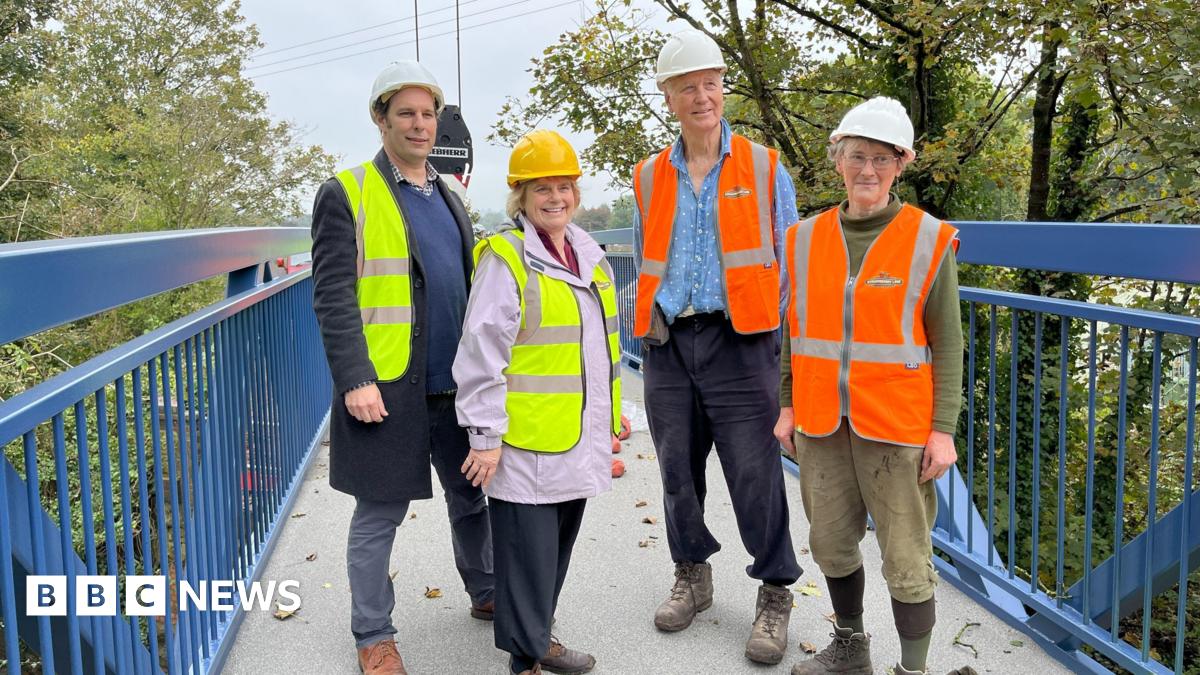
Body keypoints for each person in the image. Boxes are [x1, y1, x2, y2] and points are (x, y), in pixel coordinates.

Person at [309, 60, 494, 675]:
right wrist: (355, 378)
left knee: (472, 498)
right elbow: (332, 294)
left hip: (455, 383)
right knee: (379, 513)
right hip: (387, 385)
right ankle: (373, 634)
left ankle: (487, 593)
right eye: (407, 114)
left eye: (427, 113)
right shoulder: (348, 191)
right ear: (380, 119)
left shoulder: (449, 194)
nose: (420, 125)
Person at [631, 28, 802, 665]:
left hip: (743, 342)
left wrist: (784, 348)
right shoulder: (650, 174)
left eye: (710, 83)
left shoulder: (763, 165)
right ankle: (692, 575)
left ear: (722, 88)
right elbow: (650, 254)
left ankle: (776, 591)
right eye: (686, 87)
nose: (700, 96)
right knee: (677, 471)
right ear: (669, 98)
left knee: (756, 475)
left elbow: (789, 256)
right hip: (670, 341)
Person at [776, 96, 962, 675]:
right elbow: (793, 332)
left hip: (897, 425)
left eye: (882, 159)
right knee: (830, 543)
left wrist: (943, 431)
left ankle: (913, 669)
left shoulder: (928, 239)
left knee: (906, 558)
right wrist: (785, 406)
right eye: (857, 156)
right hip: (820, 420)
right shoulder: (804, 239)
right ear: (838, 160)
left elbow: (948, 342)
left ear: (901, 164)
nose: (868, 171)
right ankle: (851, 650)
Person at [454, 130, 622, 675]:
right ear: (520, 199)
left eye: (563, 186)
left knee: (556, 552)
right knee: (527, 559)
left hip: (575, 436)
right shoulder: (508, 260)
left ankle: (539, 637)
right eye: (541, 188)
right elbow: (482, 352)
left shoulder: (592, 258)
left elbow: (600, 351)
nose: (555, 198)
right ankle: (524, 661)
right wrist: (484, 436)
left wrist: (610, 418)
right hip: (523, 442)